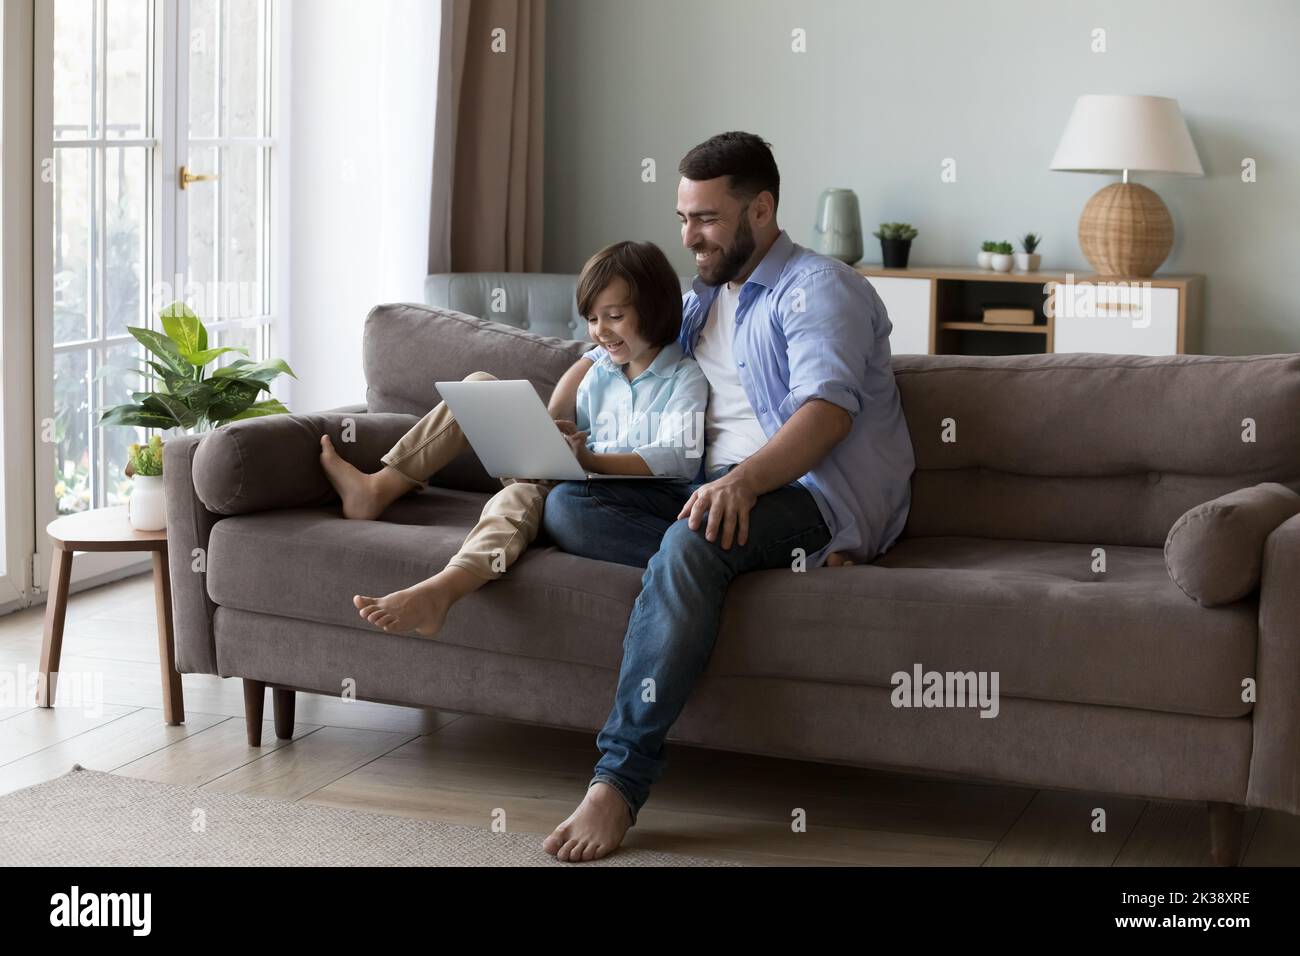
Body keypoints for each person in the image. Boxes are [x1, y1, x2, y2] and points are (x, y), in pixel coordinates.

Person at [537, 131, 916, 862]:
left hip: (808, 492)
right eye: (683, 218)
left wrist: (741, 481)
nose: (689, 236)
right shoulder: (699, 300)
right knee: (565, 508)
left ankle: (617, 782)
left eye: (706, 218)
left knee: (692, 540)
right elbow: (598, 355)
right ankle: (710, 572)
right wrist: (556, 434)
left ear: (762, 209)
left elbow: (827, 415)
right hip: (698, 490)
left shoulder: (819, 289)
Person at [318, 239, 708, 637]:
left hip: (611, 498)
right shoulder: (599, 374)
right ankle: (380, 487)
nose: (600, 331)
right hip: (571, 476)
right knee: (479, 388)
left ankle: (440, 592)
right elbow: (581, 429)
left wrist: (590, 461)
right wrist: (561, 437)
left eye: (614, 316)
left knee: (521, 497)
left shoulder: (685, 378)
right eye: (592, 319)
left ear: (655, 310)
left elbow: (679, 457)